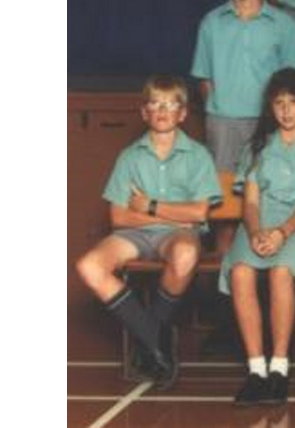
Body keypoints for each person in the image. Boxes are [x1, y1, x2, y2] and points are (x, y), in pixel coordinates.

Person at [75, 75, 221, 390]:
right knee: (88, 266)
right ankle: (157, 338)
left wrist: (149, 206)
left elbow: (199, 213)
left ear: (182, 113)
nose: (162, 110)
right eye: (155, 103)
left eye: (170, 104)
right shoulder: (130, 156)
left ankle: (149, 341)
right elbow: (118, 217)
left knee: (185, 254)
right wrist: (173, 214)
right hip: (135, 235)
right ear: (144, 112)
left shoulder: (198, 156)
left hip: (177, 237)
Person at [220, 69, 295, 406]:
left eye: (293, 103)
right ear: (271, 107)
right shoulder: (258, 146)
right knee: (241, 270)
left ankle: (279, 369)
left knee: (280, 272)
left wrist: (282, 232)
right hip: (258, 224)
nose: (286, 110)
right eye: (279, 103)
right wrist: (256, 232)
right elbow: (251, 201)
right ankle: (256, 370)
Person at [192, 0, 295, 172]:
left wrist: (276, 118)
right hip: (223, 123)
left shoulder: (283, 25)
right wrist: (221, 108)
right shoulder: (211, 22)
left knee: (268, 195)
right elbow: (204, 79)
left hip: (269, 122)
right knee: (223, 199)